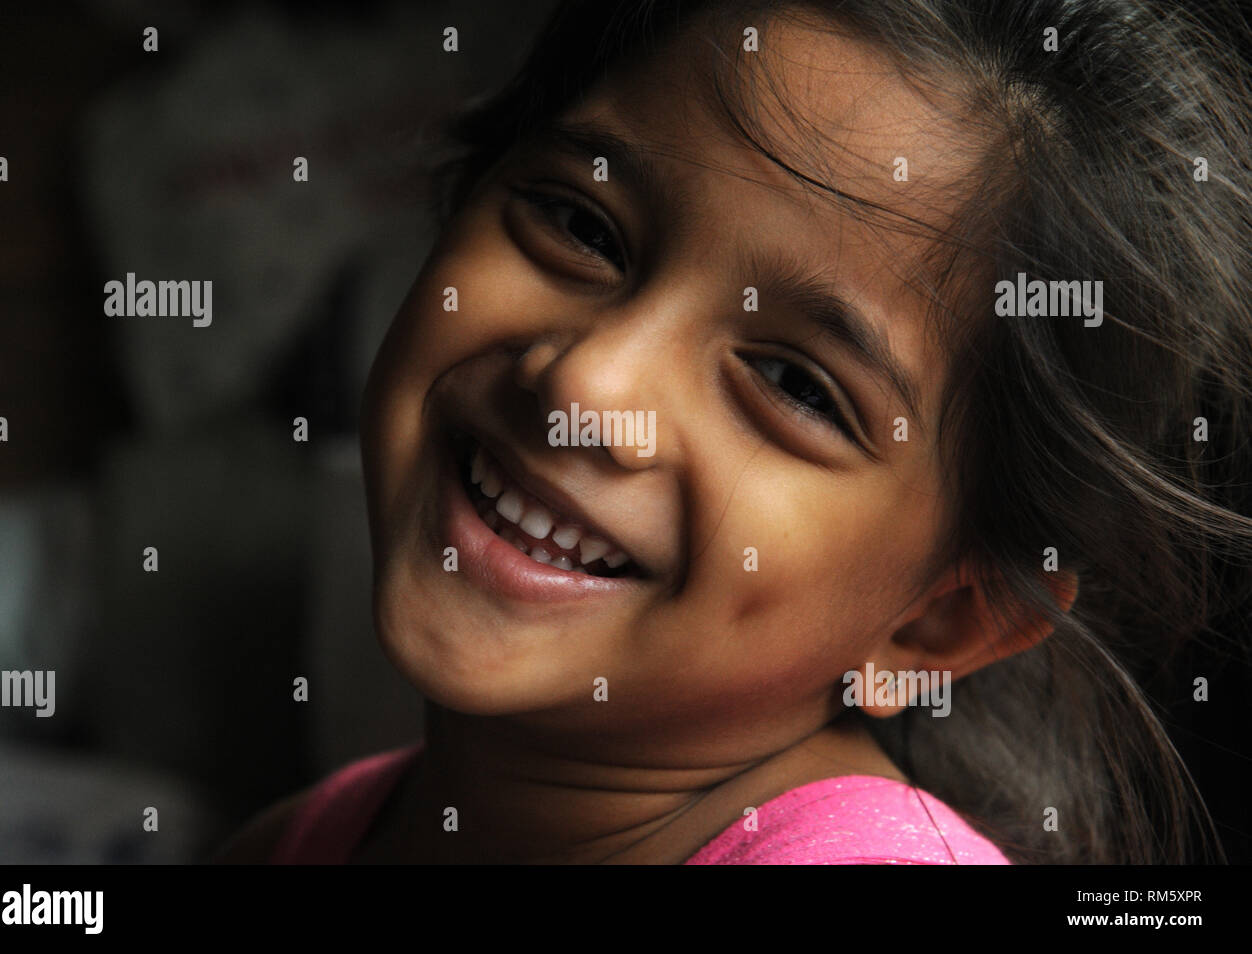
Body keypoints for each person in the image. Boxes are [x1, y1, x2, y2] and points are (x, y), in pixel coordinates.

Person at [218, 0, 1252, 864]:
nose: (589, 377)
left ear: (938, 623)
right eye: (581, 226)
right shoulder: (307, 840)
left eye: (795, 387)